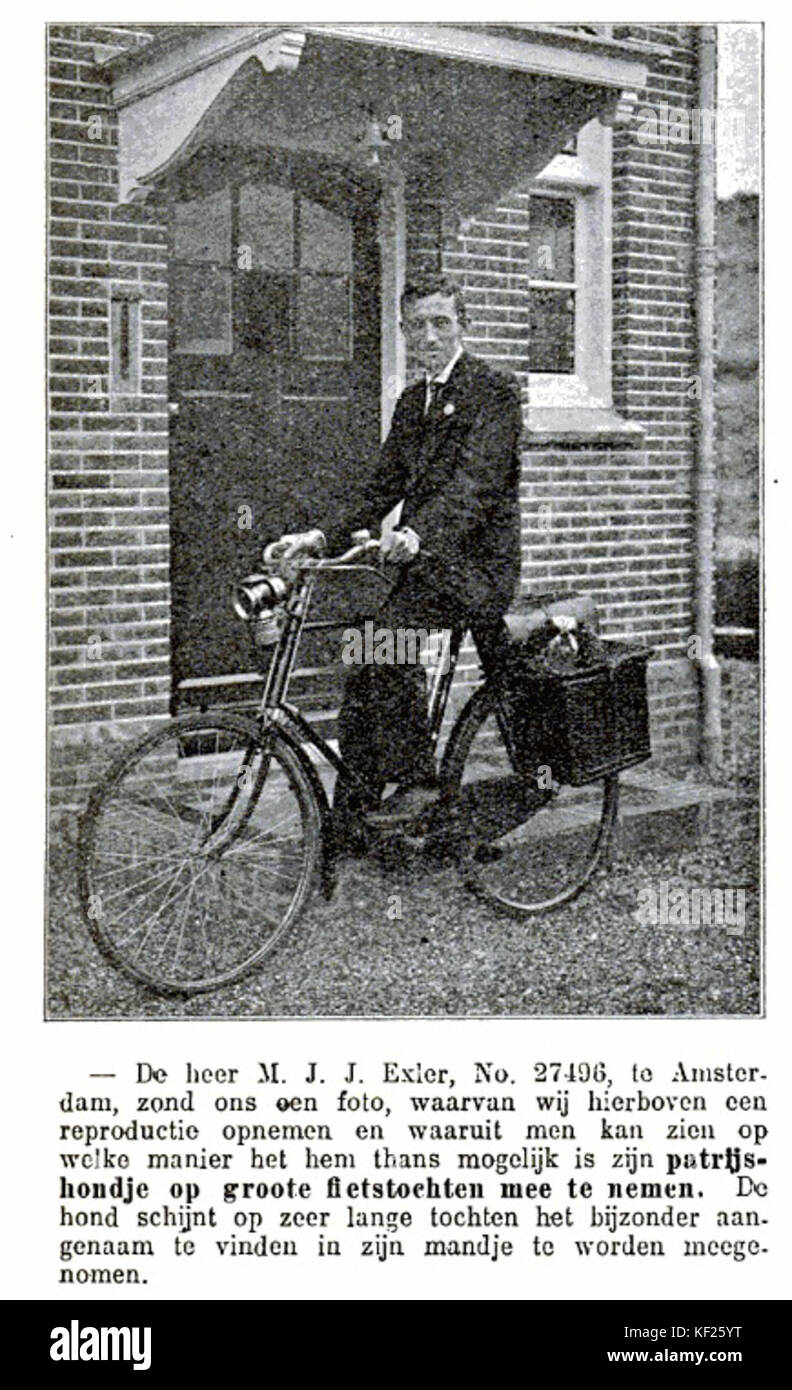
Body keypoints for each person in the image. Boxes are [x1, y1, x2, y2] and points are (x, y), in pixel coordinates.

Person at [277, 274, 523, 834]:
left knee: (386, 637)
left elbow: (476, 485)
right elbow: (381, 486)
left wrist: (419, 535)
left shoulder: (495, 391)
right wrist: (320, 536)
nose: (429, 336)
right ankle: (354, 813)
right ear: (404, 332)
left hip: (476, 568)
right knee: (368, 653)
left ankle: (419, 780)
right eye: (417, 326)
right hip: (426, 565)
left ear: (465, 325)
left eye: (441, 323)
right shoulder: (414, 401)